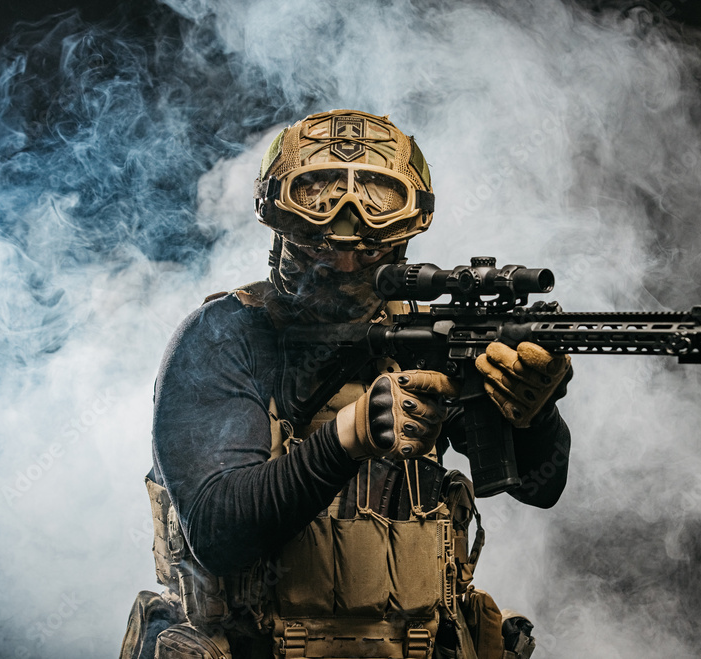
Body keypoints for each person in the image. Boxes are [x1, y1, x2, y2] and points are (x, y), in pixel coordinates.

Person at [119, 109, 573, 659]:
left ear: (405, 234)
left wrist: (531, 411)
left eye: (368, 248)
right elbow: (219, 534)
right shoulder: (225, 337)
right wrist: (349, 436)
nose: (343, 257)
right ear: (280, 225)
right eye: (318, 245)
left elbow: (540, 488)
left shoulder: (421, 333)